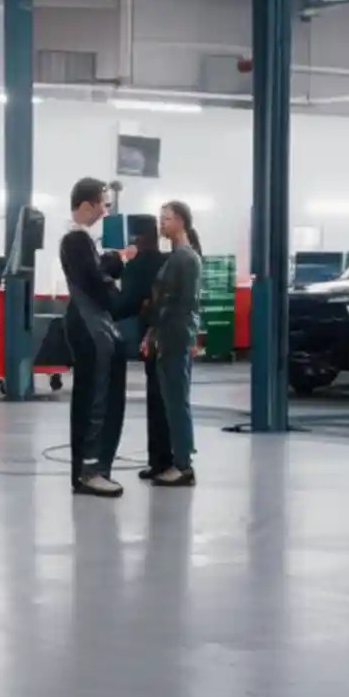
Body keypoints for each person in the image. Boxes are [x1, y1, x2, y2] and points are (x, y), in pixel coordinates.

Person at [60, 177, 136, 498]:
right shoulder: (76, 240)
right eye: (104, 204)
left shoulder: (80, 242)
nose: (105, 211)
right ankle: (91, 470)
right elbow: (95, 280)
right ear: (88, 204)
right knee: (97, 400)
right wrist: (129, 296)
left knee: (95, 397)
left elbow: (96, 270)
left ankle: (90, 469)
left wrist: (116, 260)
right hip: (92, 331)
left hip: (93, 328)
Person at [143, 200, 202, 487]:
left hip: (175, 336)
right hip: (170, 335)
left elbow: (183, 303)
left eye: (165, 219)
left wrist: (170, 335)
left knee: (177, 401)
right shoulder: (178, 257)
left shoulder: (185, 259)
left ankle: (183, 465)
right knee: (172, 400)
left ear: (180, 220)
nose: (161, 224)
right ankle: (178, 460)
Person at [110, 216, 172, 480]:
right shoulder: (169, 260)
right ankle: (170, 460)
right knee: (170, 400)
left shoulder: (138, 265)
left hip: (153, 336)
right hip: (174, 335)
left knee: (157, 400)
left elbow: (125, 304)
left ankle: (161, 462)